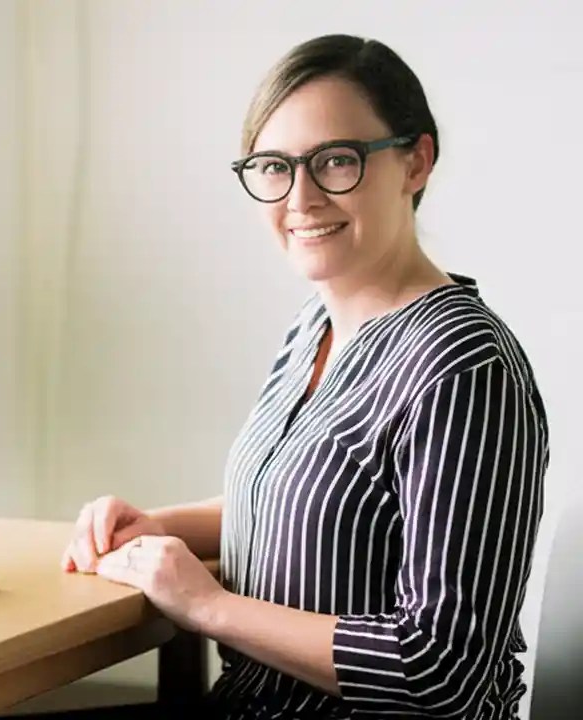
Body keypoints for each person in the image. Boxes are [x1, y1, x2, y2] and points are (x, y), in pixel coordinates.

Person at [61, 34, 549, 719]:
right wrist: (156, 526)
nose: (301, 197)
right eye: (274, 166)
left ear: (416, 161)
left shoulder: (462, 367)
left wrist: (207, 606)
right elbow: (323, 511)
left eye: (336, 161)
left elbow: (440, 672)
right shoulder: (315, 327)